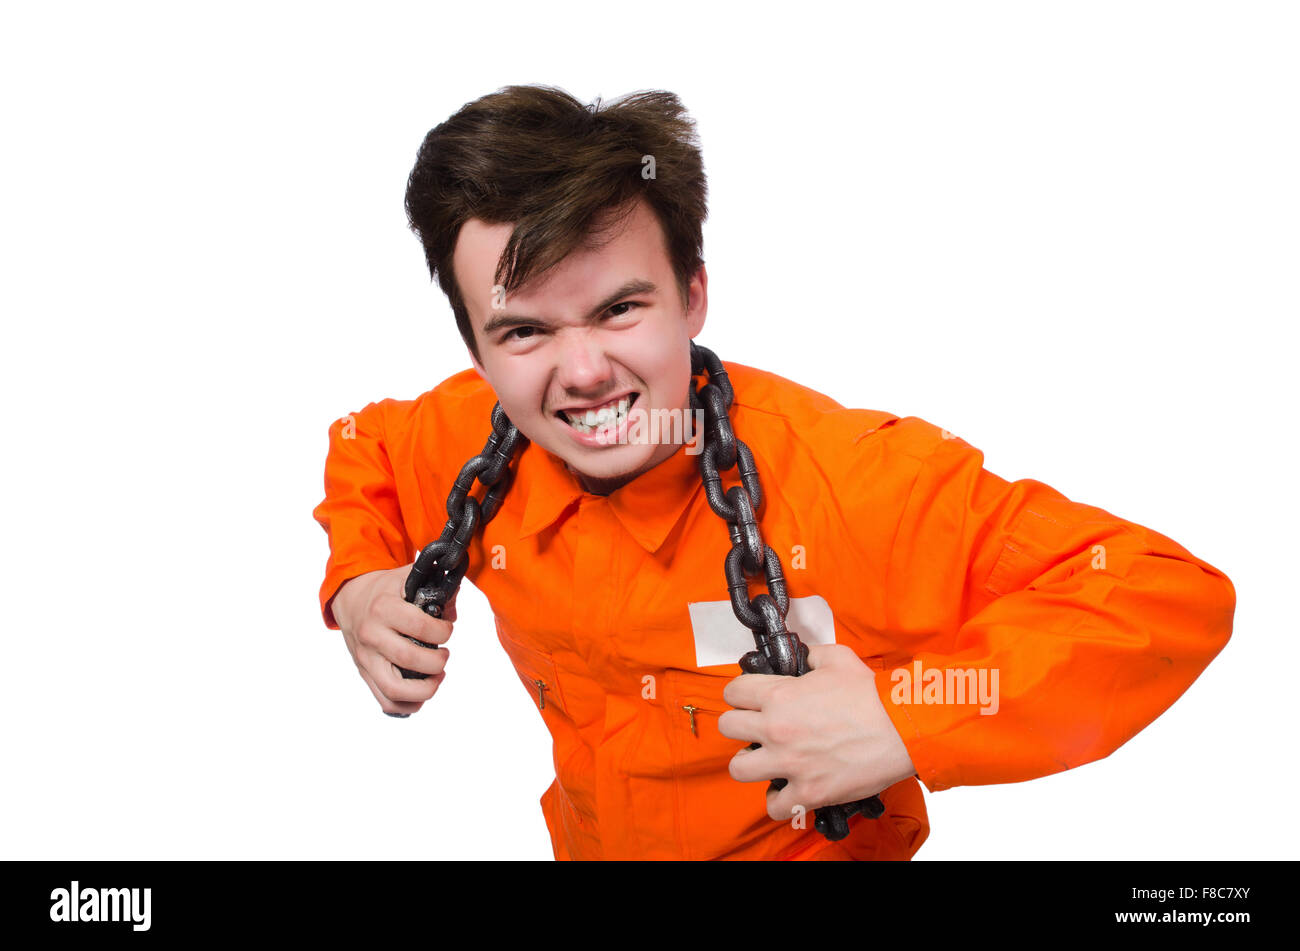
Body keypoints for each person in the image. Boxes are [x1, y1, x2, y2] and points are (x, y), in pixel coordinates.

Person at [312, 85, 1236, 860]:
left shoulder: (858, 483)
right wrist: (358, 582)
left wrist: (906, 717)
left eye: (620, 307)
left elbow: (1161, 595)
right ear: (478, 348)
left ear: (694, 295)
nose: (583, 370)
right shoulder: (466, 438)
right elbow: (367, 447)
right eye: (526, 330)